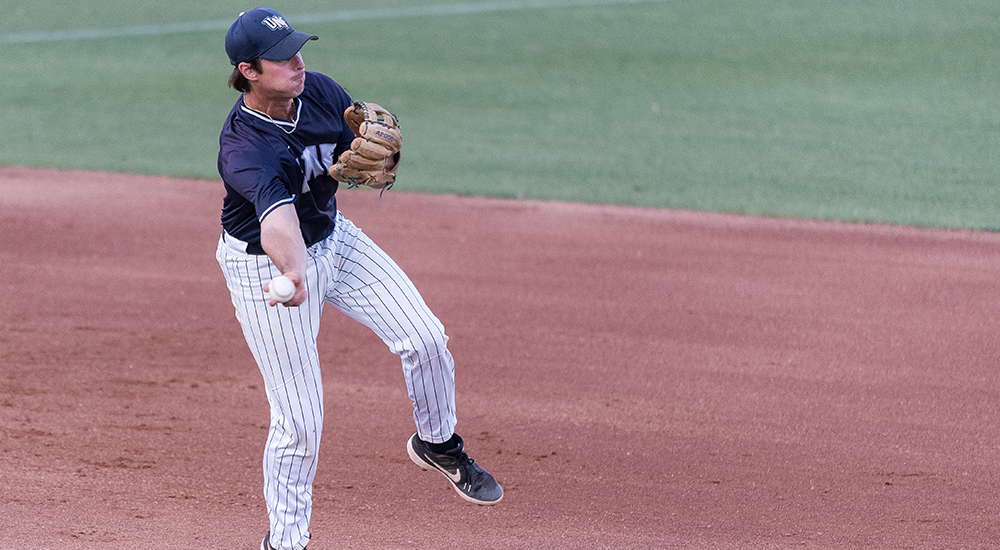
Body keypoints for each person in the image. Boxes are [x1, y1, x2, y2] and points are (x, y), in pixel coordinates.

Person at [214, 8, 503, 550]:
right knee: (300, 421)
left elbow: (365, 138)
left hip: (337, 239)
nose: (298, 64)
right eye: (282, 59)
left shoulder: (318, 91)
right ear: (249, 70)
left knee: (425, 338)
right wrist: (294, 270)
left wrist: (381, 154)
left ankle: (438, 442)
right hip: (268, 266)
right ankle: (286, 541)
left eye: (299, 50)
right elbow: (277, 222)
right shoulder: (245, 147)